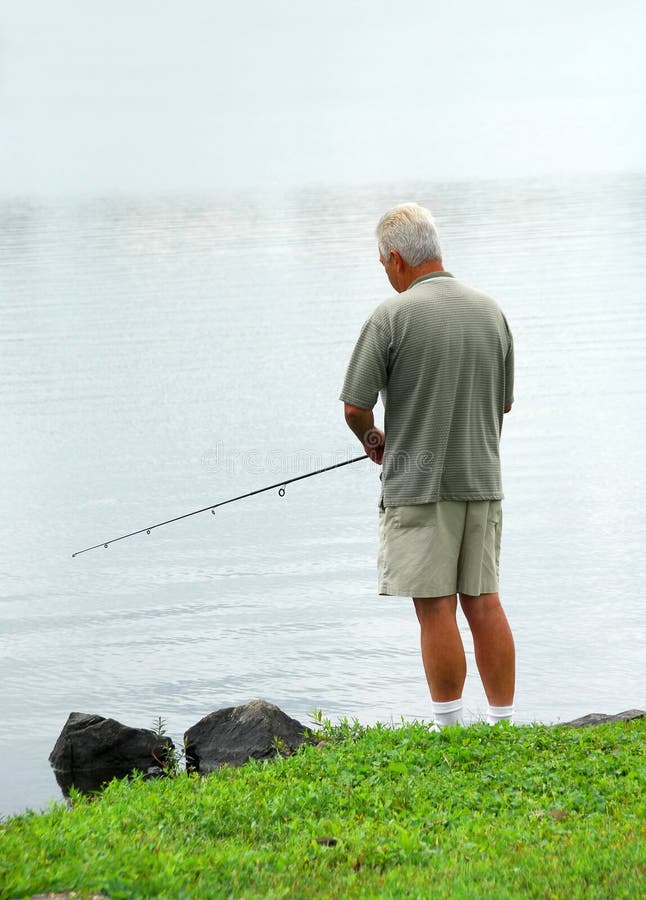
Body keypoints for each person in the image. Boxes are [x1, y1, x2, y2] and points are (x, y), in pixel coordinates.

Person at [340, 202, 515, 728]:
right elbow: (503, 403)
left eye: (383, 264)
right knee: (484, 602)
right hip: (483, 481)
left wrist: (375, 439)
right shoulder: (491, 311)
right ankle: (504, 725)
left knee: (435, 606)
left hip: (419, 486)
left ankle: (450, 729)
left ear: (395, 258)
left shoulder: (389, 317)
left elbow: (355, 406)